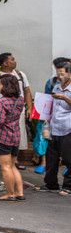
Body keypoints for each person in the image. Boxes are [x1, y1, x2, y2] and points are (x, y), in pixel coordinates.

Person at [0, 74, 26, 202]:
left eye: (0, 83)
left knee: (5, 167)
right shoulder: (20, 99)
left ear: (5, 86)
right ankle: (19, 192)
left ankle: (10, 194)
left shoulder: (1, 102)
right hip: (15, 136)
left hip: (2, 137)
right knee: (12, 165)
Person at [0, 52, 33, 169]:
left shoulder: (20, 74)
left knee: (16, 134)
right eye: (12, 59)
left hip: (17, 109)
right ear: (5, 63)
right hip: (1, 109)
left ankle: (14, 159)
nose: (15, 61)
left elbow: (27, 91)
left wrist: (29, 107)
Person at [43, 62, 71, 196]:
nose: (59, 76)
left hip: (68, 127)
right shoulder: (57, 87)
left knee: (68, 158)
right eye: (58, 73)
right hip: (55, 126)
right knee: (51, 158)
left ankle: (68, 186)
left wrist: (65, 98)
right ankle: (51, 184)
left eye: (62, 73)